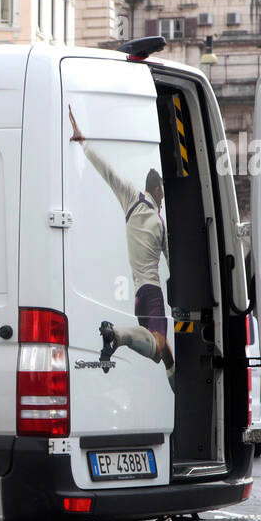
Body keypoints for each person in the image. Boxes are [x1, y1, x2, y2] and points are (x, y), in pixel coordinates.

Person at [68, 105, 175, 389]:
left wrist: (84, 143)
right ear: (156, 190)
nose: (164, 197)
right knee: (158, 345)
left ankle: (175, 378)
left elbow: (109, 173)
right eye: (163, 191)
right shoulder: (160, 222)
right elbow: (175, 264)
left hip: (139, 296)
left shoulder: (131, 200)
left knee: (159, 351)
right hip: (151, 293)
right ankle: (117, 334)